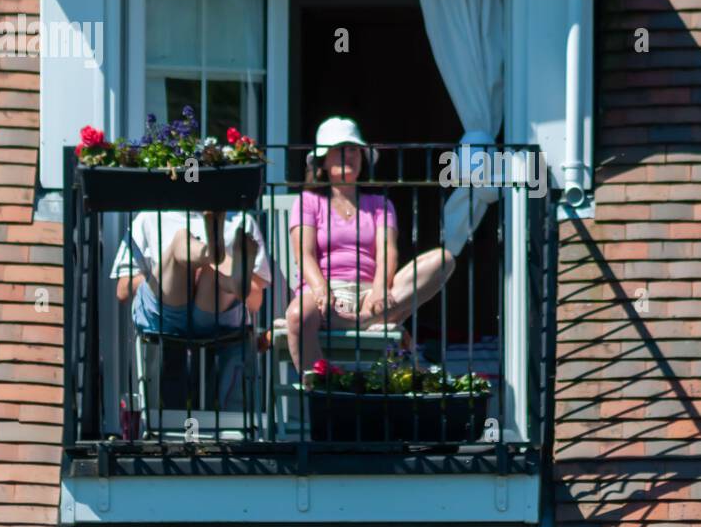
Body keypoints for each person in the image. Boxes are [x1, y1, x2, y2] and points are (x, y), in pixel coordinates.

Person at [275, 116, 456, 375]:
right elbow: (304, 254)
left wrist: (380, 289)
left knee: (444, 259)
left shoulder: (381, 204)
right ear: (323, 160)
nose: (348, 155)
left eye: (353, 149)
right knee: (296, 317)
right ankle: (321, 387)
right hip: (324, 296)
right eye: (339, 149)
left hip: (371, 296)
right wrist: (321, 290)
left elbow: (387, 253)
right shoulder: (308, 201)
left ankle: (365, 319)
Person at [112, 210, 271, 337]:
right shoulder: (148, 217)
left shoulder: (242, 220)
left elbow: (255, 301)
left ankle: (212, 258)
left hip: (186, 316)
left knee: (205, 264)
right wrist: (164, 272)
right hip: (184, 316)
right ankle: (218, 263)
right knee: (184, 244)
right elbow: (123, 289)